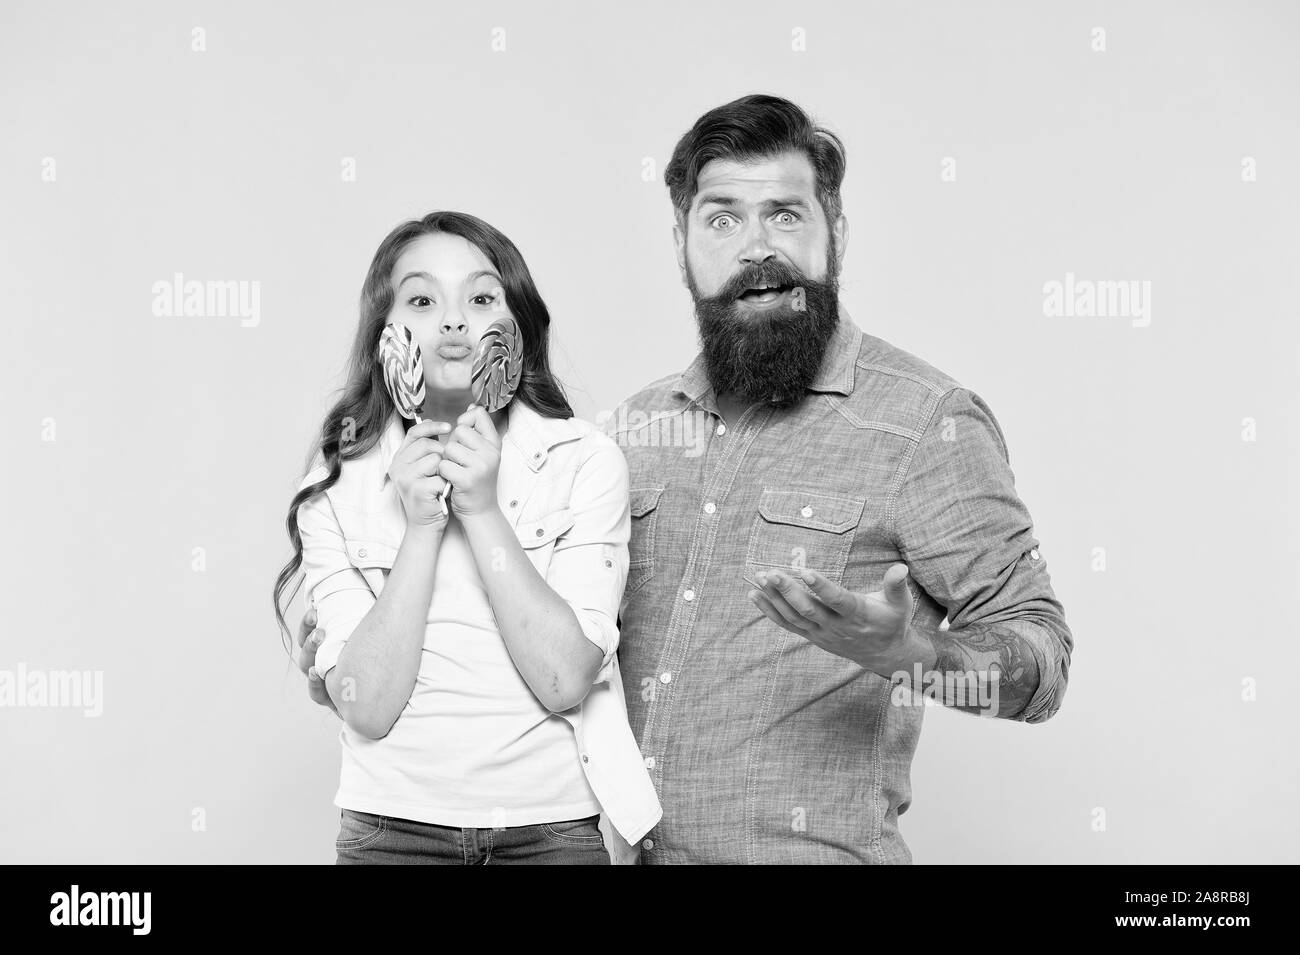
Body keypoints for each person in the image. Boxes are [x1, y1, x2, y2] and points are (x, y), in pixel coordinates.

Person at [295, 95, 1074, 865]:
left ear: (835, 232)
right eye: (723, 218)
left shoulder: (924, 423)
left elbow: (1042, 662)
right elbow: (553, 643)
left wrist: (911, 654)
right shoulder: (628, 434)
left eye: (787, 214)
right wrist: (358, 666)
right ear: (681, 244)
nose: (756, 246)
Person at [274, 211, 660, 864]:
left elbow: (567, 676)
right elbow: (365, 705)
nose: (453, 320)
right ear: (384, 336)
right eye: (422, 300)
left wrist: (480, 511)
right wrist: (422, 528)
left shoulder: (585, 461)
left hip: (554, 831)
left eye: (481, 298)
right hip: (391, 831)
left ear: (516, 330)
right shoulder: (336, 484)